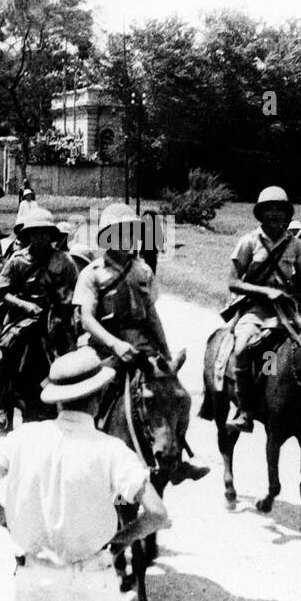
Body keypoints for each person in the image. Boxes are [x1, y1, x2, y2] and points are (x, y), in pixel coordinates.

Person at [0, 348, 171, 601]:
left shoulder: (23, 438)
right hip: (92, 583)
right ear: (98, 399)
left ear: (57, 399)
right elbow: (158, 513)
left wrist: (7, 520)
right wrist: (122, 540)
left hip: (35, 582)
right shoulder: (112, 450)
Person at [75, 204, 208, 484]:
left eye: (132, 232)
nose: (127, 238)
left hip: (142, 345)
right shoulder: (92, 273)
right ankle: (84, 452)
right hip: (104, 345)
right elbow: (87, 318)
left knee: (176, 394)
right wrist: (115, 345)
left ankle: (178, 458)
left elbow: (152, 316)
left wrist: (167, 355)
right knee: (91, 391)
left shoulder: (142, 271)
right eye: (120, 232)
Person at [224, 186, 301, 435]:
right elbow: (233, 282)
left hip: (287, 311)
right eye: (269, 209)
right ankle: (246, 409)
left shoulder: (296, 246)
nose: (274, 214)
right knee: (244, 348)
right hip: (254, 309)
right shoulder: (249, 241)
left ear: (287, 214)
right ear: (260, 213)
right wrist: (265, 292)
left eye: (280, 210)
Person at [0, 207, 80, 432]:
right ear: (28, 235)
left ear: (51, 235)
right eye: (35, 232)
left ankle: (78, 404)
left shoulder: (64, 260)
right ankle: (0, 406)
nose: (40, 237)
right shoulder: (18, 260)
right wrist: (26, 306)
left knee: (77, 354)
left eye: (45, 232)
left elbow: (75, 291)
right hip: (22, 318)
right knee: (4, 353)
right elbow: (3, 292)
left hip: (56, 316)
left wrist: (63, 304)